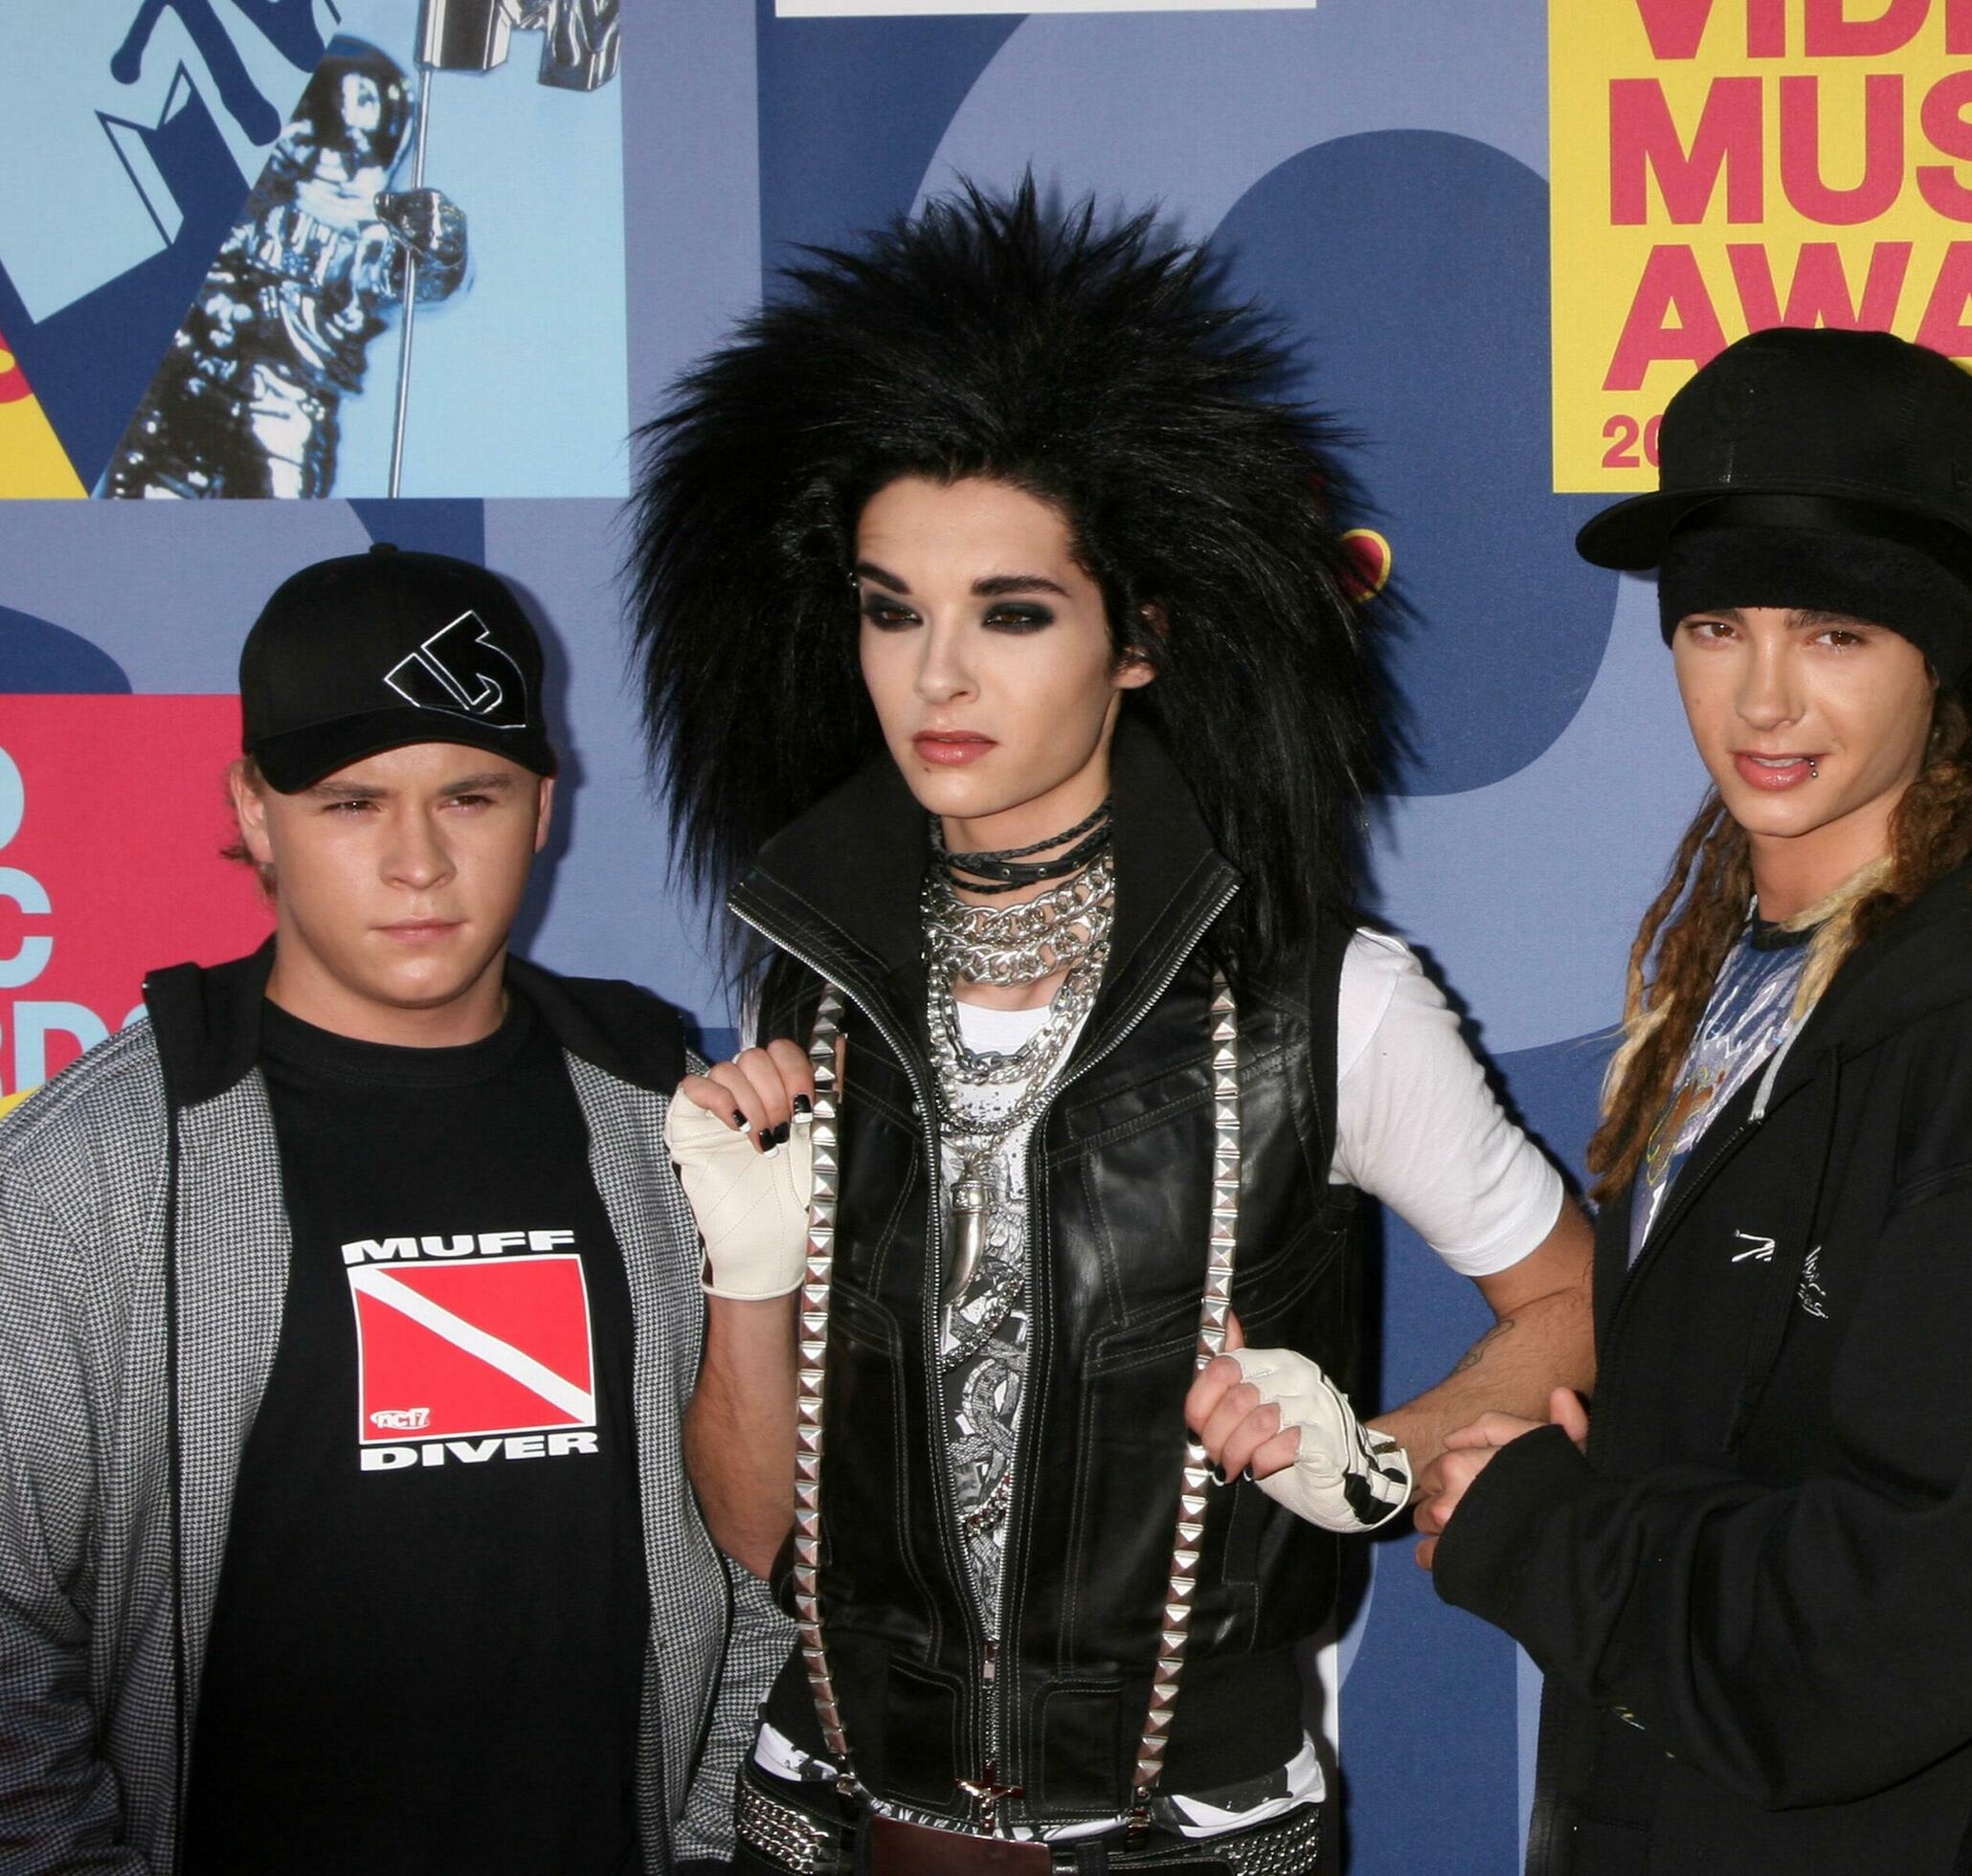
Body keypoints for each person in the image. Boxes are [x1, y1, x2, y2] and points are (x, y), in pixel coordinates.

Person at [625, 184, 1595, 1873]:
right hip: (838, 1830)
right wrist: (747, 1272)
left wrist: (1368, 1454)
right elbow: (748, 1528)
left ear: (1138, 638)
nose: (937, 678)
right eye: (889, 606)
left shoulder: (1318, 1007)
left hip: (1186, 1837)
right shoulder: (815, 990)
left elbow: (1576, 1300)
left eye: (1011, 611)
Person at [1418, 326, 1972, 1872]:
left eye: (1834, 634)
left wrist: (1552, 1537)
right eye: (1717, 626)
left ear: (1940, 646)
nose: (1762, 697)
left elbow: (1960, 1581)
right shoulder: (1733, 963)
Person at [0, 544, 787, 1871]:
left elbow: (763, 1563)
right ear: (254, 811)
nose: (419, 861)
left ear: (545, 805)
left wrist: (713, 1847)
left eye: (468, 794)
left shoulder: (676, 1129)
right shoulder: (92, 1171)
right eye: (354, 803)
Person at [105, 39, 467, 502]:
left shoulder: (366, 240)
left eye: (343, 140)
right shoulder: (234, 203)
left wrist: (442, 247)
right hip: (181, 399)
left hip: (282, 422)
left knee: (273, 547)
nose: (319, 154)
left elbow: (417, 282)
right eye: (309, 132)